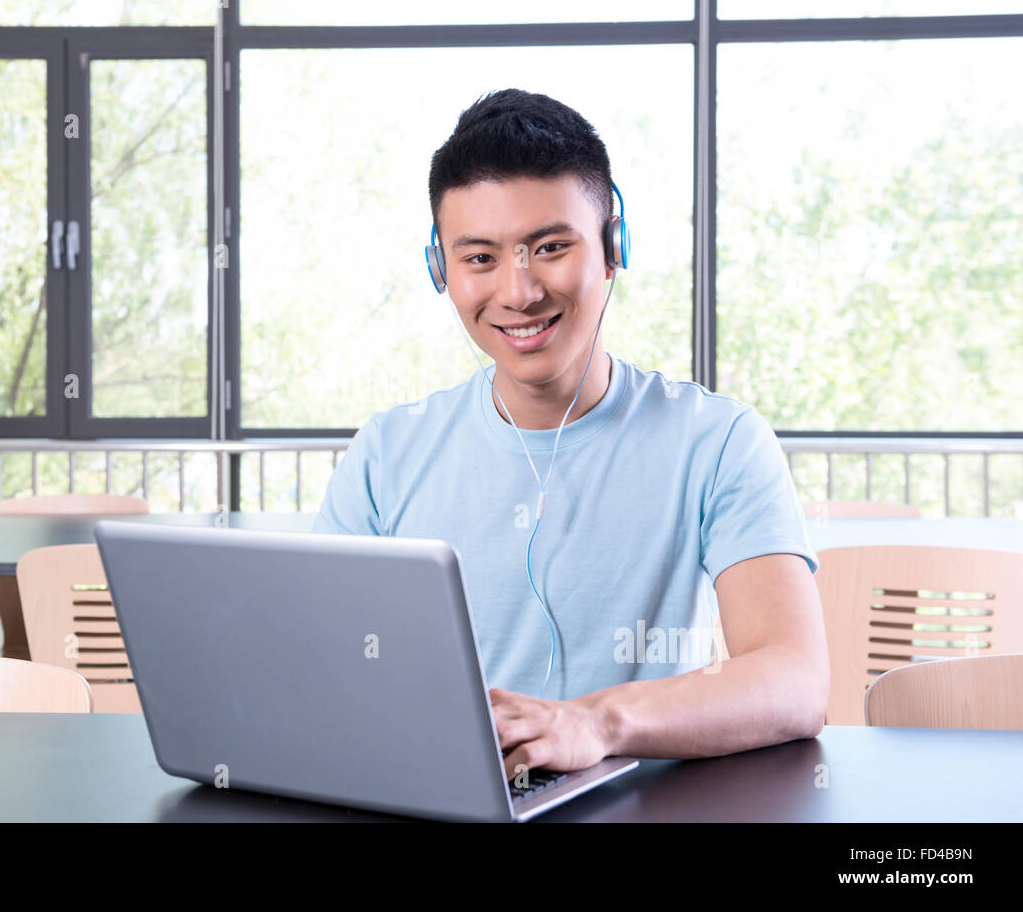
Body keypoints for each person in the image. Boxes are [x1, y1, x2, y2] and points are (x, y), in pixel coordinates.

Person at [312, 88, 829, 780]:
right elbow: (320, 669)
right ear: (442, 270)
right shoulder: (384, 454)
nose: (519, 291)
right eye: (480, 258)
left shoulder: (720, 440)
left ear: (613, 247)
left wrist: (599, 723)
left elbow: (795, 680)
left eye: (550, 247)